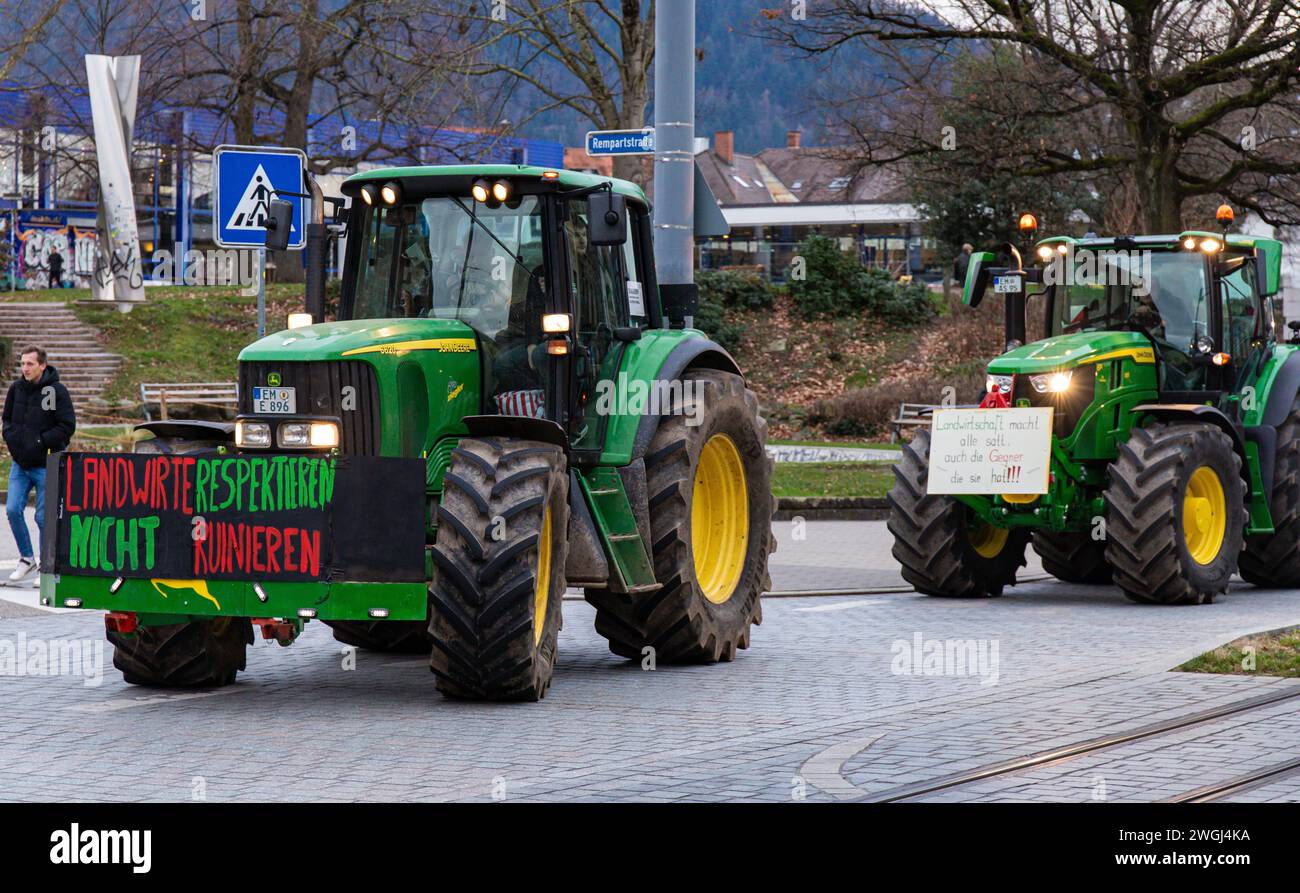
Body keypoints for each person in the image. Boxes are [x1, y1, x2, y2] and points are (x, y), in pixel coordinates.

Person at [2, 346, 75, 584]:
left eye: (30, 364)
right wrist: (13, 441)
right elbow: (7, 420)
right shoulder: (16, 389)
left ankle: (46, 564)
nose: (25, 368)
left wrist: (40, 442)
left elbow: (66, 426)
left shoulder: (55, 391)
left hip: (46, 464)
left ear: (42, 365)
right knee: (12, 509)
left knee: (43, 517)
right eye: (22, 364)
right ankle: (27, 559)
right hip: (20, 464)